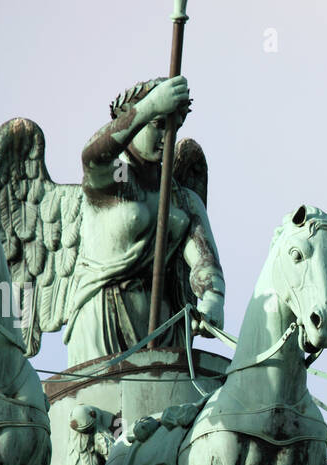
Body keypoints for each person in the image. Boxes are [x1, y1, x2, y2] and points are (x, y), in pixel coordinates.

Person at [65, 75, 224, 365]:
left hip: (166, 327)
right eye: (158, 125)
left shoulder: (182, 198)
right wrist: (149, 107)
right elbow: (93, 157)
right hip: (105, 319)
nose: (168, 136)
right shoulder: (114, 180)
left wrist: (213, 298)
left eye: (174, 127)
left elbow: (204, 260)